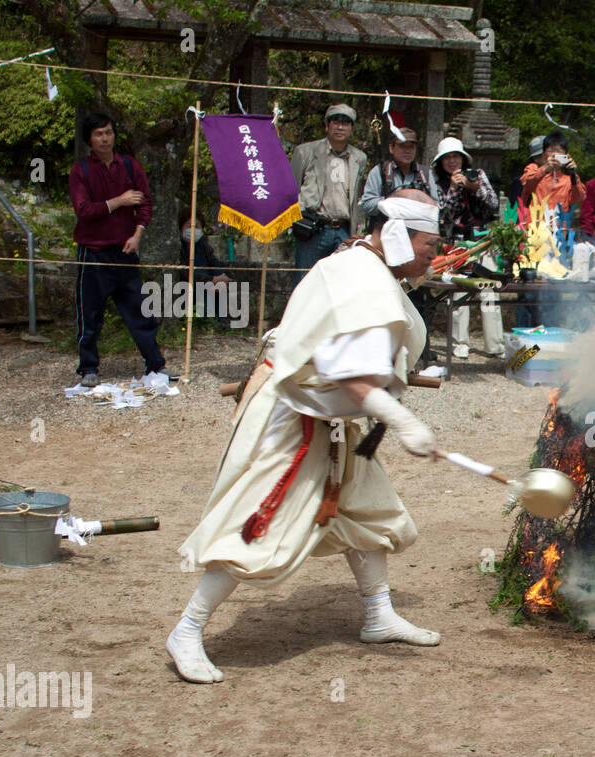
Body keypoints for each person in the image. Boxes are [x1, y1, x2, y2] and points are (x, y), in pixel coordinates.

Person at [168, 190, 443, 684]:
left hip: (329, 413)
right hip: (293, 415)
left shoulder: (366, 264)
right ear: (398, 234)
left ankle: (378, 614)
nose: (434, 254)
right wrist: (400, 421)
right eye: (430, 244)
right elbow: (349, 374)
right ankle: (187, 630)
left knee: (365, 506)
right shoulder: (362, 278)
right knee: (261, 517)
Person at [68, 112, 169, 386]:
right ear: (90, 138)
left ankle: (155, 365)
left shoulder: (129, 166)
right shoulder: (81, 171)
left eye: (109, 132)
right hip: (93, 252)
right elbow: (84, 210)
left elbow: (145, 204)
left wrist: (138, 234)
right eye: (99, 134)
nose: (105, 138)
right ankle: (88, 368)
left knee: (140, 311)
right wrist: (119, 201)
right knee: (89, 313)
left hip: (125, 251)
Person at [430, 136, 502, 359]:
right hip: (458, 244)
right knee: (459, 292)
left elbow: (493, 202)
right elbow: (443, 214)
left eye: (455, 157)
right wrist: (453, 187)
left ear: (463, 158)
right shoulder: (439, 184)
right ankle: (460, 343)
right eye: (447, 158)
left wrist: (473, 187)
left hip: (483, 240)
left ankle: (495, 344)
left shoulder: (478, 175)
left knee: (490, 291)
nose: (452, 162)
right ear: (441, 163)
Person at [290, 103, 368, 272]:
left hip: (344, 230)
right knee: (305, 279)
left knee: (342, 281)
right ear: (327, 125)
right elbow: (292, 188)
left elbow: (358, 197)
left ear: (352, 129)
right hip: (313, 227)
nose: (340, 127)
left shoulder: (359, 158)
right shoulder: (305, 152)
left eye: (346, 123)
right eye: (335, 122)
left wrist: (358, 230)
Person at [178, 209, 235, 331]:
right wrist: (211, 280)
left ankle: (220, 323)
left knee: (220, 288)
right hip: (188, 288)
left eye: (197, 226)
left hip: (209, 284)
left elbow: (215, 264)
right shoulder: (179, 248)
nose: (193, 230)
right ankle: (204, 324)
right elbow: (184, 273)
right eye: (189, 226)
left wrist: (220, 278)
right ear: (181, 228)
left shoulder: (203, 247)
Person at [519, 131, 586, 226]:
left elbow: (578, 198)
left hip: (559, 230)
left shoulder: (568, 179)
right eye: (551, 150)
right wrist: (545, 168)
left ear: (566, 155)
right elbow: (526, 183)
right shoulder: (534, 169)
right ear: (543, 153)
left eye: (559, 151)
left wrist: (573, 175)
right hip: (535, 228)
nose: (555, 154)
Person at [359, 127, 430, 217]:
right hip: (386, 227)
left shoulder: (425, 173)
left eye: (411, 147)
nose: (407, 151)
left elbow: (436, 204)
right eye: (402, 146)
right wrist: (394, 200)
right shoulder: (380, 172)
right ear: (391, 148)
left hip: (418, 228)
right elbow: (367, 204)